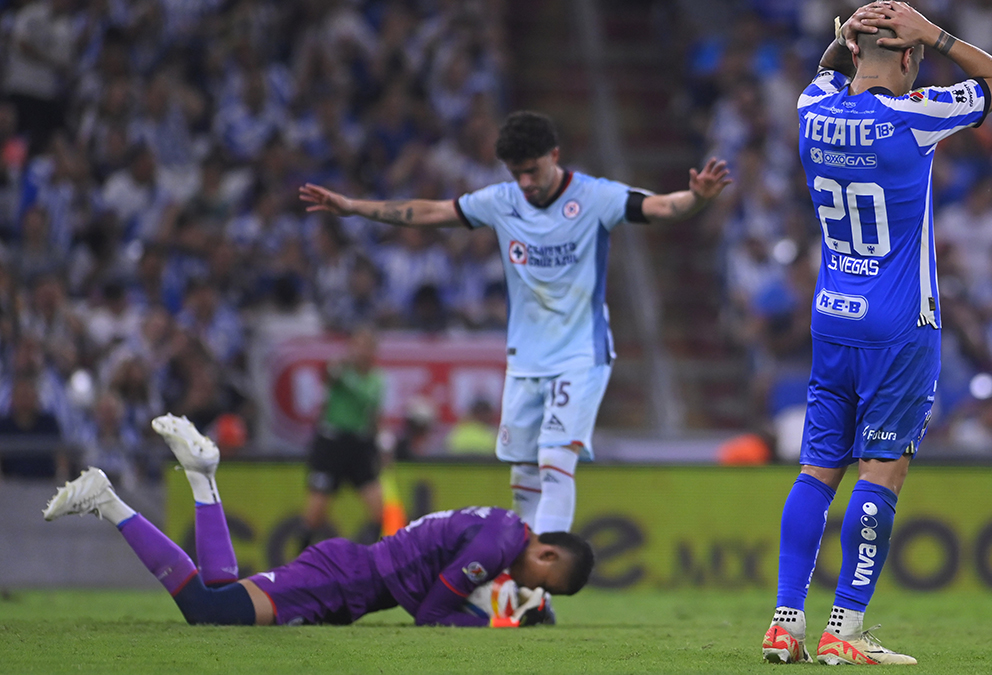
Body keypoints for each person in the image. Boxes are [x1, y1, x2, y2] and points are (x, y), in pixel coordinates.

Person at [300, 111, 732, 535]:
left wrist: (696, 198)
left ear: (554, 155)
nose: (525, 182)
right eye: (515, 172)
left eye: (532, 170)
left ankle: (544, 567)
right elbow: (430, 212)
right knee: (523, 473)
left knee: (555, 459)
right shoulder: (501, 201)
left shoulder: (594, 197)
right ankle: (526, 570)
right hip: (525, 359)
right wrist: (354, 207)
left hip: (580, 353)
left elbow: (660, 206)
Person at [762, 2, 992, 666]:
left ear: (852, 50)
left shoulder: (813, 108)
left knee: (818, 468)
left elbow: (827, 70)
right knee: (882, 468)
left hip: (833, 314)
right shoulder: (914, 116)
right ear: (907, 57)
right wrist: (935, 33)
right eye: (917, 57)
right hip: (899, 323)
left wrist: (844, 35)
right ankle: (843, 629)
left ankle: (785, 623)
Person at [43, 414, 593, 627]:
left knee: (219, 595)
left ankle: (199, 478)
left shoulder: (502, 527)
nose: (534, 586)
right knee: (208, 612)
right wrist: (497, 626)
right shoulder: (499, 545)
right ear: (546, 553)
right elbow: (430, 614)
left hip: (349, 578)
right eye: (545, 582)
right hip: (344, 580)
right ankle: (110, 501)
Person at [300, 327, 385, 549]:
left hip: (359, 445)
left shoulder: (376, 380)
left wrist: (379, 447)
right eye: (357, 345)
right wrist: (342, 365)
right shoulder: (340, 370)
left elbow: (373, 413)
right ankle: (300, 558)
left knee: (378, 509)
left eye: (366, 346)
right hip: (332, 444)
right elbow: (328, 375)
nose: (361, 351)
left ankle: (367, 556)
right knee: (316, 511)